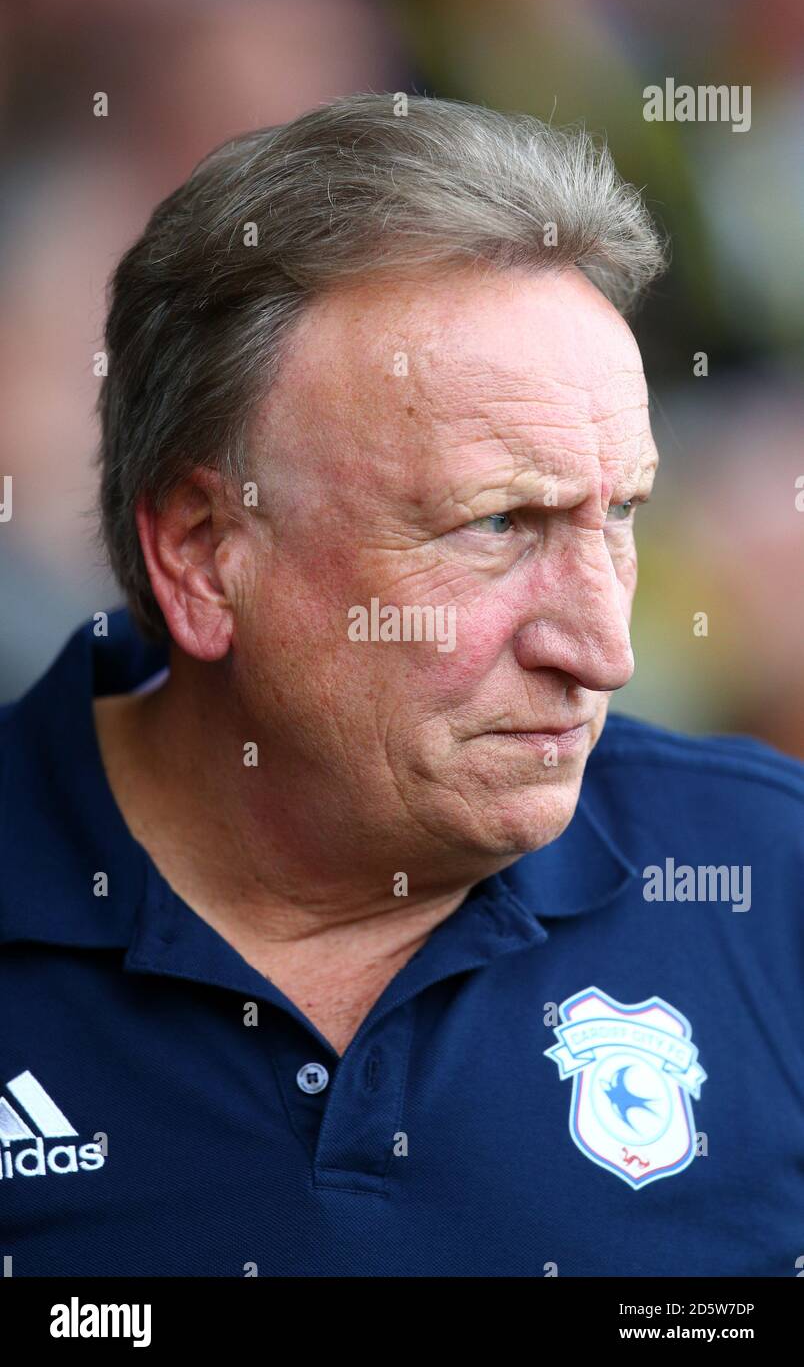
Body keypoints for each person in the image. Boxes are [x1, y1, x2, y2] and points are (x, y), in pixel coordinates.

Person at [1, 93, 801, 1277]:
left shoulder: (769, 880)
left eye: (618, 513)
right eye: (496, 523)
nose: (604, 652)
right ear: (203, 551)